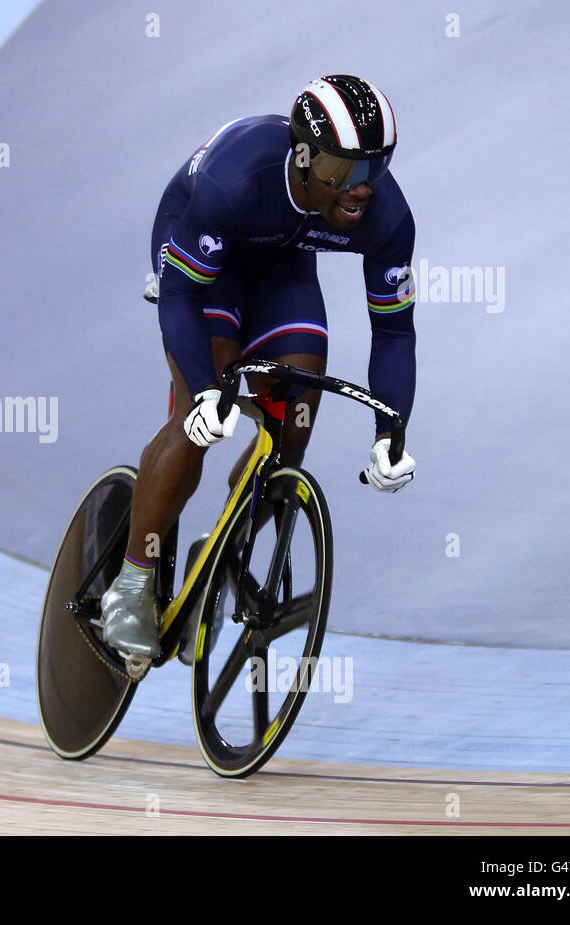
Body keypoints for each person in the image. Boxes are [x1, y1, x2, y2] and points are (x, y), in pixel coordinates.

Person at [101, 75, 418, 659]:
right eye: (348, 170)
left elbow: (394, 330)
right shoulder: (236, 176)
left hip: (282, 267)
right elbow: (180, 298)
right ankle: (131, 582)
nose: (364, 188)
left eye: (376, 169)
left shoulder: (388, 219)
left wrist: (389, 430)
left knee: (290, 426)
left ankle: (220, 555)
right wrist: (200, 393)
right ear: (304, 156)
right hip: (201, 262)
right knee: (207, 404)